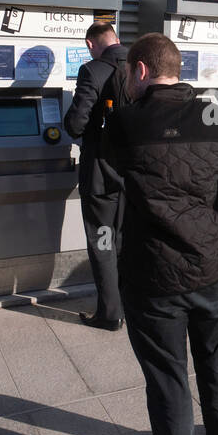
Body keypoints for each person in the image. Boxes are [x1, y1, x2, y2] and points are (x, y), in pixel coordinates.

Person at [104, 33, 218, 435]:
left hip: (153, 274)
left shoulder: (124, 123)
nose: (128, 79)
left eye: (130, 71)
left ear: (142, 71)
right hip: (212, 265)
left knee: (167, 373)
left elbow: (103, 186)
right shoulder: (215, 115)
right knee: (217, 361)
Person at [63, 23, 130, 330]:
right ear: (116, 39)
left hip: (102, 174)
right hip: (133, 174)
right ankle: (130, 305)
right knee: (125, 240)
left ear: (91, 44)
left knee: (102, 240)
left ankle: (110, 313)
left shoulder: (93, 70)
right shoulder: (138, 66)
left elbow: (76, 124)